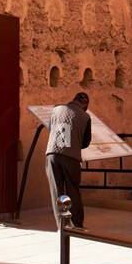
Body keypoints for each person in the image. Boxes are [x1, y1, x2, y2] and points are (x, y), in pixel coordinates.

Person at [45, 92, 92, 229]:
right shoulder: (85, 117)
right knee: (72, 190)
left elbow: (51, 130)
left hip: (52, 154)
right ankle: (76, 224)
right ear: (85, 105)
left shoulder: (56, 109)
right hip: (70, 157)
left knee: (57, 191)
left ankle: (62, 226)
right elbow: (85, 143)